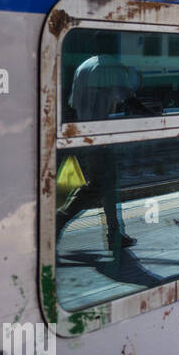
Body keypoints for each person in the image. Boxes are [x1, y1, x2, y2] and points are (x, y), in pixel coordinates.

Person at [56, 36, 156, 256]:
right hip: (100, 137)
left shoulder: (84, 67)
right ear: (114, 47)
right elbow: (129, 100)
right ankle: (64, 221)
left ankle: (113, 234)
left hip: (85, 135)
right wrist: (154, 117)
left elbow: (72, 104)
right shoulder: (111, 67)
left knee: (102, 186)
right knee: (102, 187)